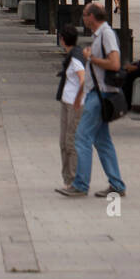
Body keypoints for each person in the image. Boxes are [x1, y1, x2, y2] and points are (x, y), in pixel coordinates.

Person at [57, 2, 126, 198]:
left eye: (85, 14)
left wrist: (91, 58)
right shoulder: (99, 35)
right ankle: (117, 184)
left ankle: (80, 184)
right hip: (96, 93)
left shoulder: (106, 34)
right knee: (102, 141)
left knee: (82, 138)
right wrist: (80, 95)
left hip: (101, 93)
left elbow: (114, 63)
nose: (83, 18)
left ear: (92, 17)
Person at [56, 24, 85, 187]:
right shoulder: (73, 55)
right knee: (64, 141)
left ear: (62, 40)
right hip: (66, 102)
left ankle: (73, 178)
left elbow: (83, 78)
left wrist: (78, 97)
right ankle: (67, 177)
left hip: (74, 105)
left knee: (70, 141)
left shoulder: (75, 58)